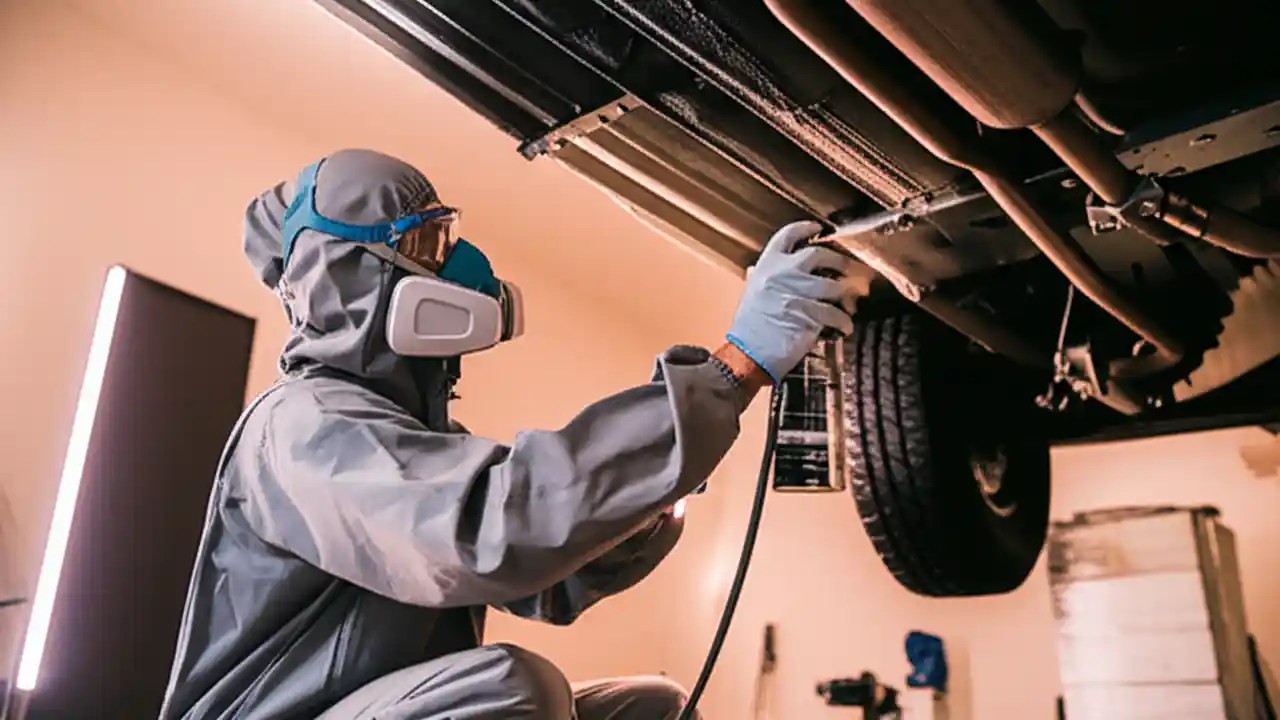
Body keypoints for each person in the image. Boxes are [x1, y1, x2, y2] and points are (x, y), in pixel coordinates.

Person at [160, 149, 857, 719]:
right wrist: (731, 373)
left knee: (653, 708)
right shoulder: (303, 424)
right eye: (426, 244)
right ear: (347, 276)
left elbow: (549, 582)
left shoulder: (409, 436)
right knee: (515, 688)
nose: (454, 266)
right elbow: (494, 530)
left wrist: (651, 485)